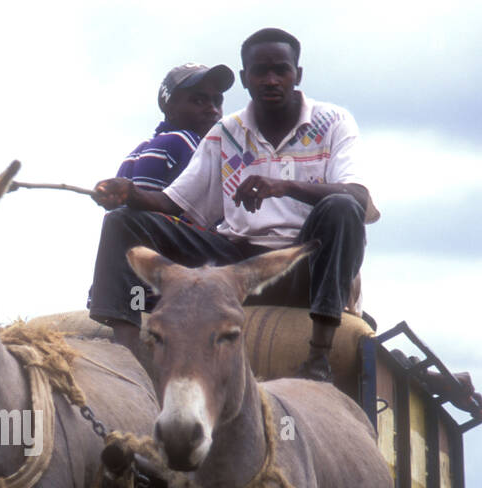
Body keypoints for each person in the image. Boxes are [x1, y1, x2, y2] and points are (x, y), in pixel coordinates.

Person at [88, 28, 376, 381]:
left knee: (342, 207)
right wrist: (129, 193)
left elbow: (359, 197)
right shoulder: (226, 132)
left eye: (280, 70)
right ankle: (128, 351)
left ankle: (318, 355)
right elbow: (173, 203)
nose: (271, 80)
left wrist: (282, 186)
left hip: (301, 265)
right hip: (237, 267)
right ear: (245, 78)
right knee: (123, 222)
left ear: (297, 75)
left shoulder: (332, 122)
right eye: (260, 71)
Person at [112, 62, 234, 192]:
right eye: (198, 101)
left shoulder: (137, 153)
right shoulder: (185, 141)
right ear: (170, 110)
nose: (213, 110)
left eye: (217, 101)